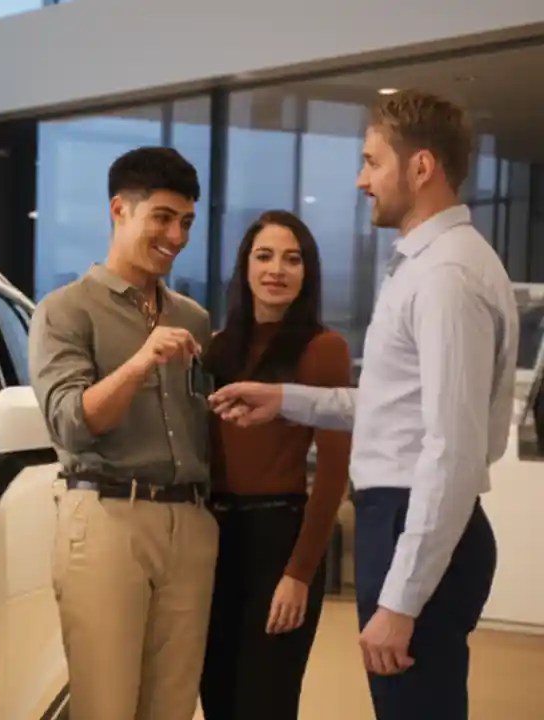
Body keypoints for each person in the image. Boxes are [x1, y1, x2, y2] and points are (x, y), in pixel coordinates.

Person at [207, 89, 519, 720]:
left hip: (412, 518)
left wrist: (401, 603)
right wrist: (285, 399)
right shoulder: (430, 265)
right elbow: (394, 406)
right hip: (403, 516)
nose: (361, 179)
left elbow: (451, 451)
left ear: (421, 167)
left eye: (373, 162)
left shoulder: (445, 277)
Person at [27, 146, 215, 720]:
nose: (176, 235)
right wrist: (139, 362)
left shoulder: (194, 318)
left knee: (173, 708)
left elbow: (198, 424)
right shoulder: (65, 311)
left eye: (185, 221)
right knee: (105, 706)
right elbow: (72, 423)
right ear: (120, 210)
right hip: (107, 517)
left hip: (190, 522)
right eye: (162, 216)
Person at [197, 210, 352, 719]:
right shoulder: (219, 349)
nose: (276, 270)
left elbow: (332, 473)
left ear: (307, 273)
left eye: (292, 259)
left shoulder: (323, 349)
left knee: (265, 705)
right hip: (215, 539)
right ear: (244, 267)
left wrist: (299, 574)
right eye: (264, 256)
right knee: (218, 698)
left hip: (278, 539)